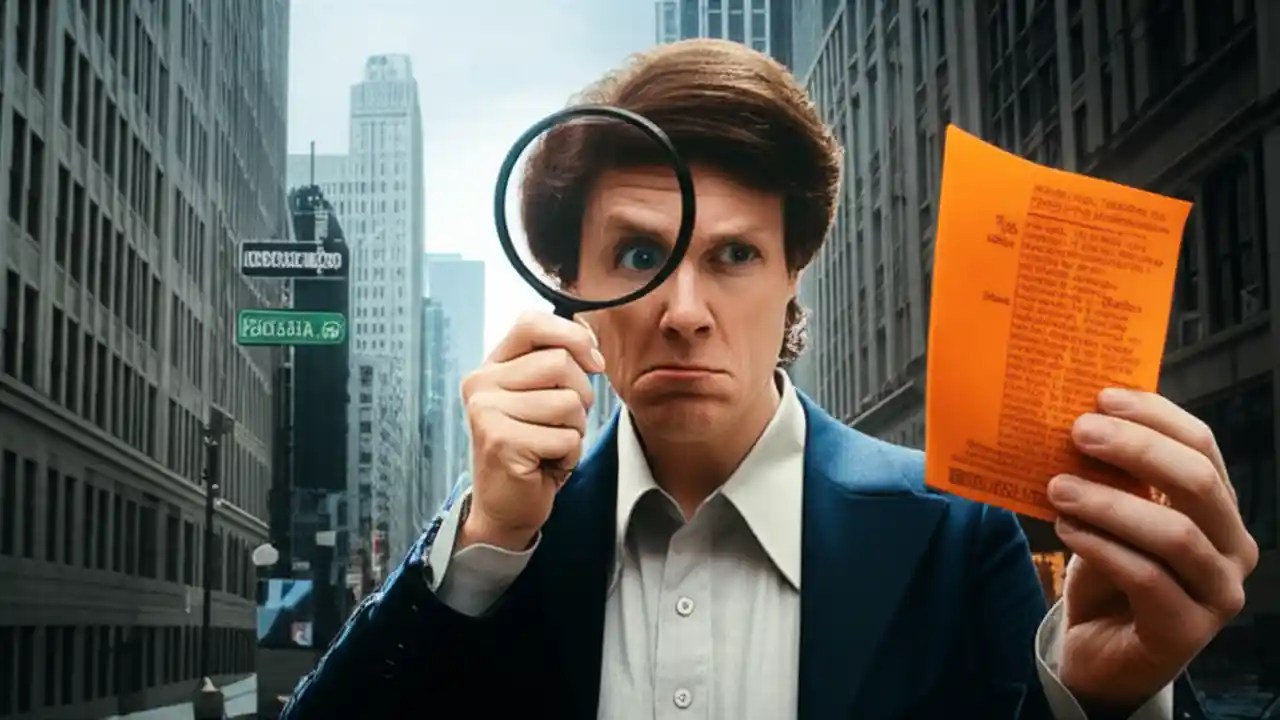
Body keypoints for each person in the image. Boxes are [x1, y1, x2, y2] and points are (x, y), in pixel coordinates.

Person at [280, 39, 1257, 719]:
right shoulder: (500, 554)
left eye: (735, 257)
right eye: (635, 255)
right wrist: (481, 551)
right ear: (565, 289)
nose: (686, 310)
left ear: (795, 275)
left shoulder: (950, 535)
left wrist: (1100, 701)